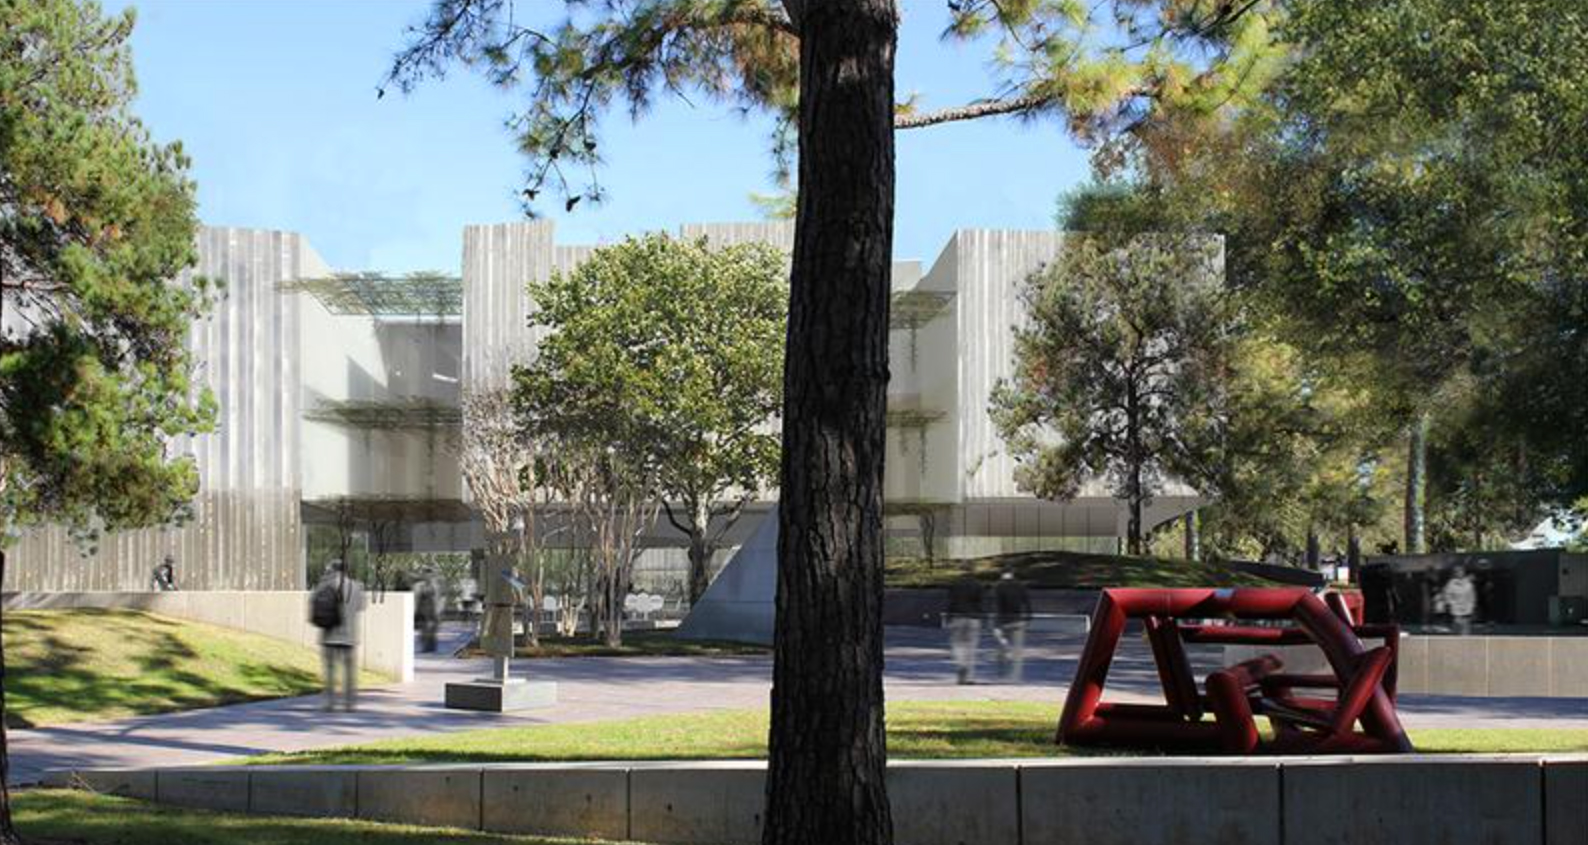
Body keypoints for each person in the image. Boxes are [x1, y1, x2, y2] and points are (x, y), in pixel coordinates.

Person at [310, 560, 366, 711]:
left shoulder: (325, 585)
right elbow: (361, 607)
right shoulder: (356, 587)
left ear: (333, 570)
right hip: (349, 636)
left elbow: (313, 603)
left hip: (329, 635)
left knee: (329, 671)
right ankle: (350, 704)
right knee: (349, 672)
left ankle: (329, 703)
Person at [991, 570, 1032, 682]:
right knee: (1017, 650)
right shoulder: (1020, 586)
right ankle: (1015, 677)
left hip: (1004, 622)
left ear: (1002, 575)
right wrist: (1028, 617)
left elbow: (996, 606)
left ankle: (1002, 675)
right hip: (1018, 621)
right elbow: (1027, 603)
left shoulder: (998, 587)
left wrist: (996, 623)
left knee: (1001, 649)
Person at [945, 572, 984, 684]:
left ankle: (961, 665)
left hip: (957, 618)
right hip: (973, 619)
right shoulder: (978, 585)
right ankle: (969, 678)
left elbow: (950, 602)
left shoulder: (954, 585)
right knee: (971, 648)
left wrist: (948, 617)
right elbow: (980, 603)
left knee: (957, 645)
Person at [1438, 565, 1478, 636]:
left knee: (1466, 631)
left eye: (1461, 571)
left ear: (1464, 572)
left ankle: (1466, 643)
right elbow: (1447, 595)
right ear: (1455, 573)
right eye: (1457, 571)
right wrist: (1452, 604)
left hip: (1467, 611)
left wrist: (1471, 607)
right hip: (1456, 611)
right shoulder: (1451, 583)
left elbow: (1472, 597)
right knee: (1456, 631)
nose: (1459, 573)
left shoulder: (1469, 584)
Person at [414, 567, 441, 654]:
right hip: (422, 610)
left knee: (432, 629)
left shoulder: (435, 586)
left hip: (431, 609)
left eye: (429, 574)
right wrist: (415, 610)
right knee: (424, 629)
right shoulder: (419, 586)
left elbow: (437, 598)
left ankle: (431, 646)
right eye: (425, 574)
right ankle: (426, 646)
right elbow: (416, 598)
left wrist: (437, 610)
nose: (427, 576)